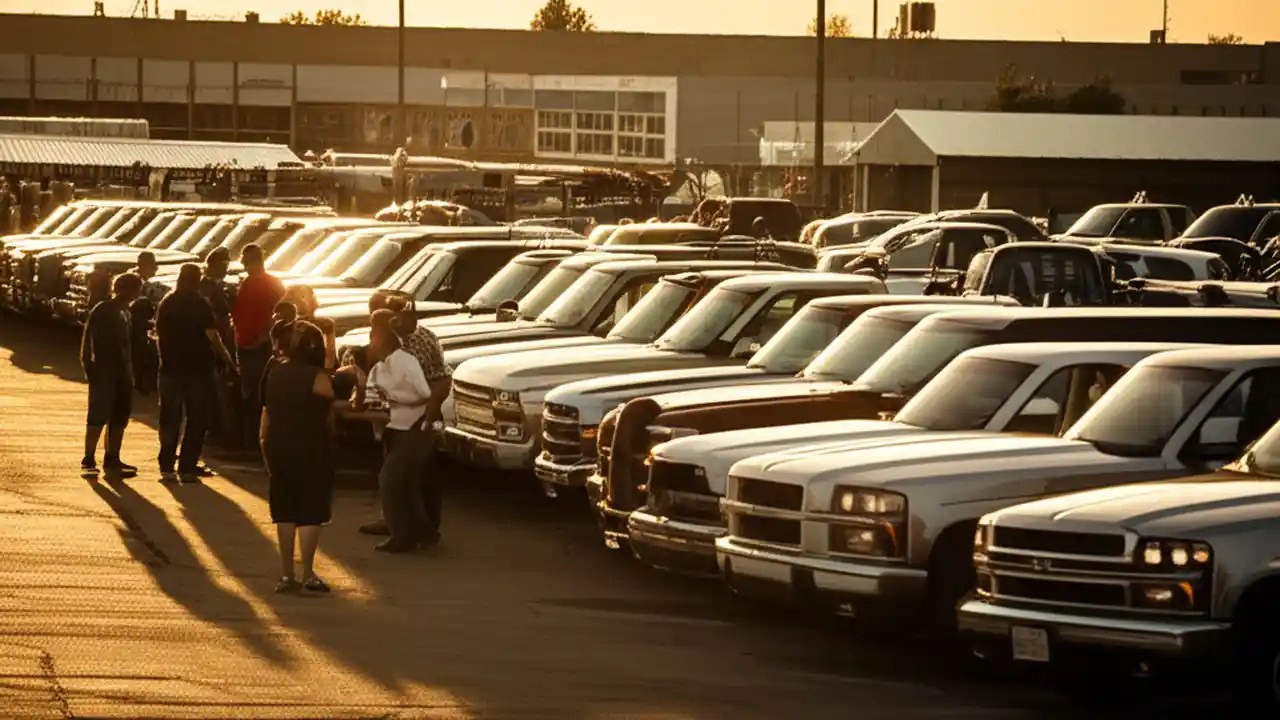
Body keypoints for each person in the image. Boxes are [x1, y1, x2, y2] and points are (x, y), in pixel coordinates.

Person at [261, 321, 335, 594]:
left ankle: (285, 574)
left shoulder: (274, 374)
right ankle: (307, 573)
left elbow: (266, 417)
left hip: (279, 448)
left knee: (284, 512)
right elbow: (331, 402)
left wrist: (266, 450)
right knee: (310, 512)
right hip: (312, 448)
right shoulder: (318, 377)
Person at [155, 264, 238, 482]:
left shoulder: (167, 303)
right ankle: (187, 466)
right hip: (197, 369)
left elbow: (158, 334)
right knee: (196, 419)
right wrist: (228, 360)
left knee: (170, 418)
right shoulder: (200, 304)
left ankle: (166, 465)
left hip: (170, 369)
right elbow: (213, 336)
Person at [363, 309, 433, 553]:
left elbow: (424, 394)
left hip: (413, 428)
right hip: (395, 429)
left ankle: (403, 534)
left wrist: (393, 398)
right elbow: (372, 398)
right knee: (404, 483)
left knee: (391, 480)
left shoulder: (405, 361)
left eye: (373, 333)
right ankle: (420, 531)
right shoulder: (380, 368)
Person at [80, 272, 144, 477]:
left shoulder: (126, 312)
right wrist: (89, 367)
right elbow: (88, 339)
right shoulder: (104, 310)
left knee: (119, 417)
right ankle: (89, 457)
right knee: (98, 415)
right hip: (105, 370)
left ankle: (112, 457)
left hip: (122, 372)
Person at [231, 244, 285, 452]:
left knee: (259, 395)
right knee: (248, 393)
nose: (244, 266)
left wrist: (265, 338)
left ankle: (257, 442)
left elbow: (279, 313)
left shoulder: (269, 284)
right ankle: (248, 441)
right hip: (246, 344)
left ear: (257, 261)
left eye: (246, 262)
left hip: (260, 347)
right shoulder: (247, 284)